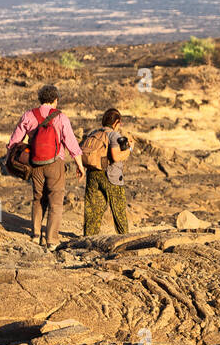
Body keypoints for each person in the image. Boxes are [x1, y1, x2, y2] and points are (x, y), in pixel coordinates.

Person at [7, 84, 83, 250]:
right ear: (55, 100)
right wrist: (80, 165)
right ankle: (51, 240)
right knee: (55, 202)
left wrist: (16, 160)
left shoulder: (28, 115)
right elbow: (71, 143)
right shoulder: (61, 117)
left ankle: (35, 235)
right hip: (55, 163)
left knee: (38, 198)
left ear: (40, 99)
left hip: (35, 163)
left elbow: (13, 142)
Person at [82, 108, 131, 235]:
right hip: (111, 176)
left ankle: (89, 237)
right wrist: (129, 149)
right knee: (118, 210)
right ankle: (124, 238)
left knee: (92, 209)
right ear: (117, 122)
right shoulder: (114, 135)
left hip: (92, 174)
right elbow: (115, 157)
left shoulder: (94, 133)